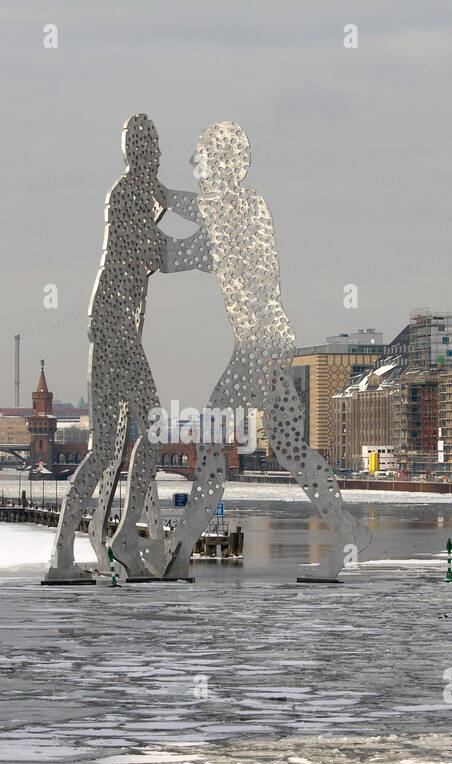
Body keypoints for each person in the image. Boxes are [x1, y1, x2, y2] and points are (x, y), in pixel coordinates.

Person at [163, 121, 369, 581]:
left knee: (213, 443)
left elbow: (179, 247)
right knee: (290, 448)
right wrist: (159, 208)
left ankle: (178, 557)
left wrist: (153, 200)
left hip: (259, 344)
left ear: (226, 164)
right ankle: (347, 529)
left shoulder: (239, 208)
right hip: (268, 341)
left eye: (205, 159)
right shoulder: (238, 213)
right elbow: (183, 248)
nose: (199, 168)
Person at [44, 114, 206, 582]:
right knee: (146, 433)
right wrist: (211, 246)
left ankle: (71, 554)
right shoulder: (131, 194)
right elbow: (160, 253)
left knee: (108, 448)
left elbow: (177, 206)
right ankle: (114, 546)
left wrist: (212, 216)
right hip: (117, 332)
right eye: (151, 149)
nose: (157, 157)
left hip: (114, 330)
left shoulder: (139, 191)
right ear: (139, 153)